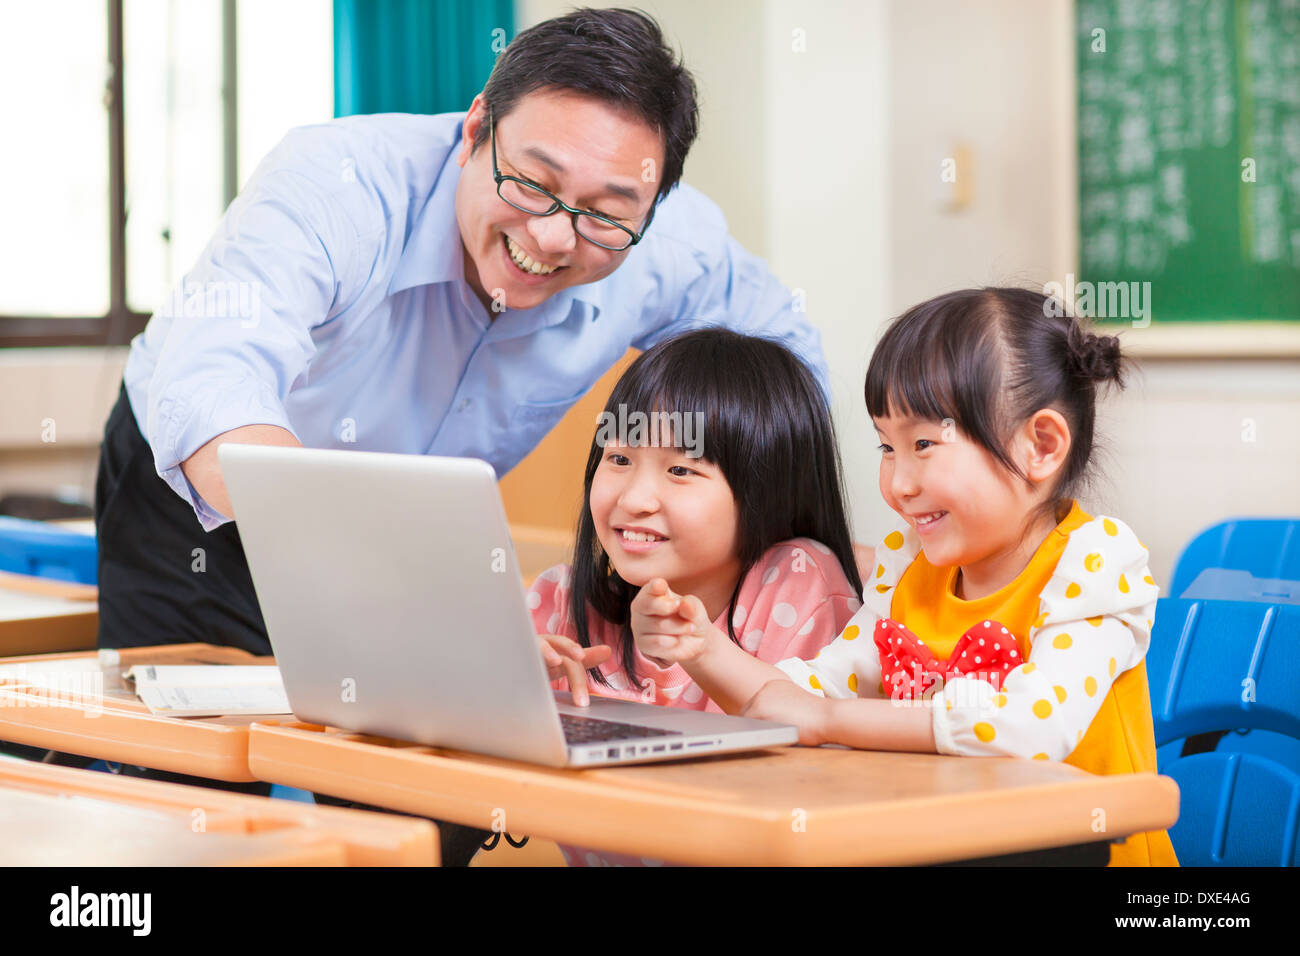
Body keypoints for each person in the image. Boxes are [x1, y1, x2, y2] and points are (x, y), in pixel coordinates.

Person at [95, 7, 828, 657]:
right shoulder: (336, 183)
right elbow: (212, 387)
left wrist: (759, 546)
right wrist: (422, 586)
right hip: (205, 504)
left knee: (443, 787)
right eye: (533, 183)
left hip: (414, 536)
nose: (552, 236)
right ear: (475, 128)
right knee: (201, 773)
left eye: (606, 214)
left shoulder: (668, 246)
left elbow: (785, 365)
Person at [638, 288, 1179, 867]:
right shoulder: (909, 568)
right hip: (949, 847)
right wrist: (701, 648)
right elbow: (813, 690)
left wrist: (826, 721)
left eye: (923, 444)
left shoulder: (1094, 562)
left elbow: (1029, 728)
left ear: (1040, 446)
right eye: (886, 447)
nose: (898, 483)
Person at [529, 328, 863, 866]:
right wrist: (507, 683)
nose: (634, 498)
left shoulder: (796, 578)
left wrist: (699, 649)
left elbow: (808, 770)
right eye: (617, 459)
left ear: (767, 490)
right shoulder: (562, 599)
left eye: (681, 469)